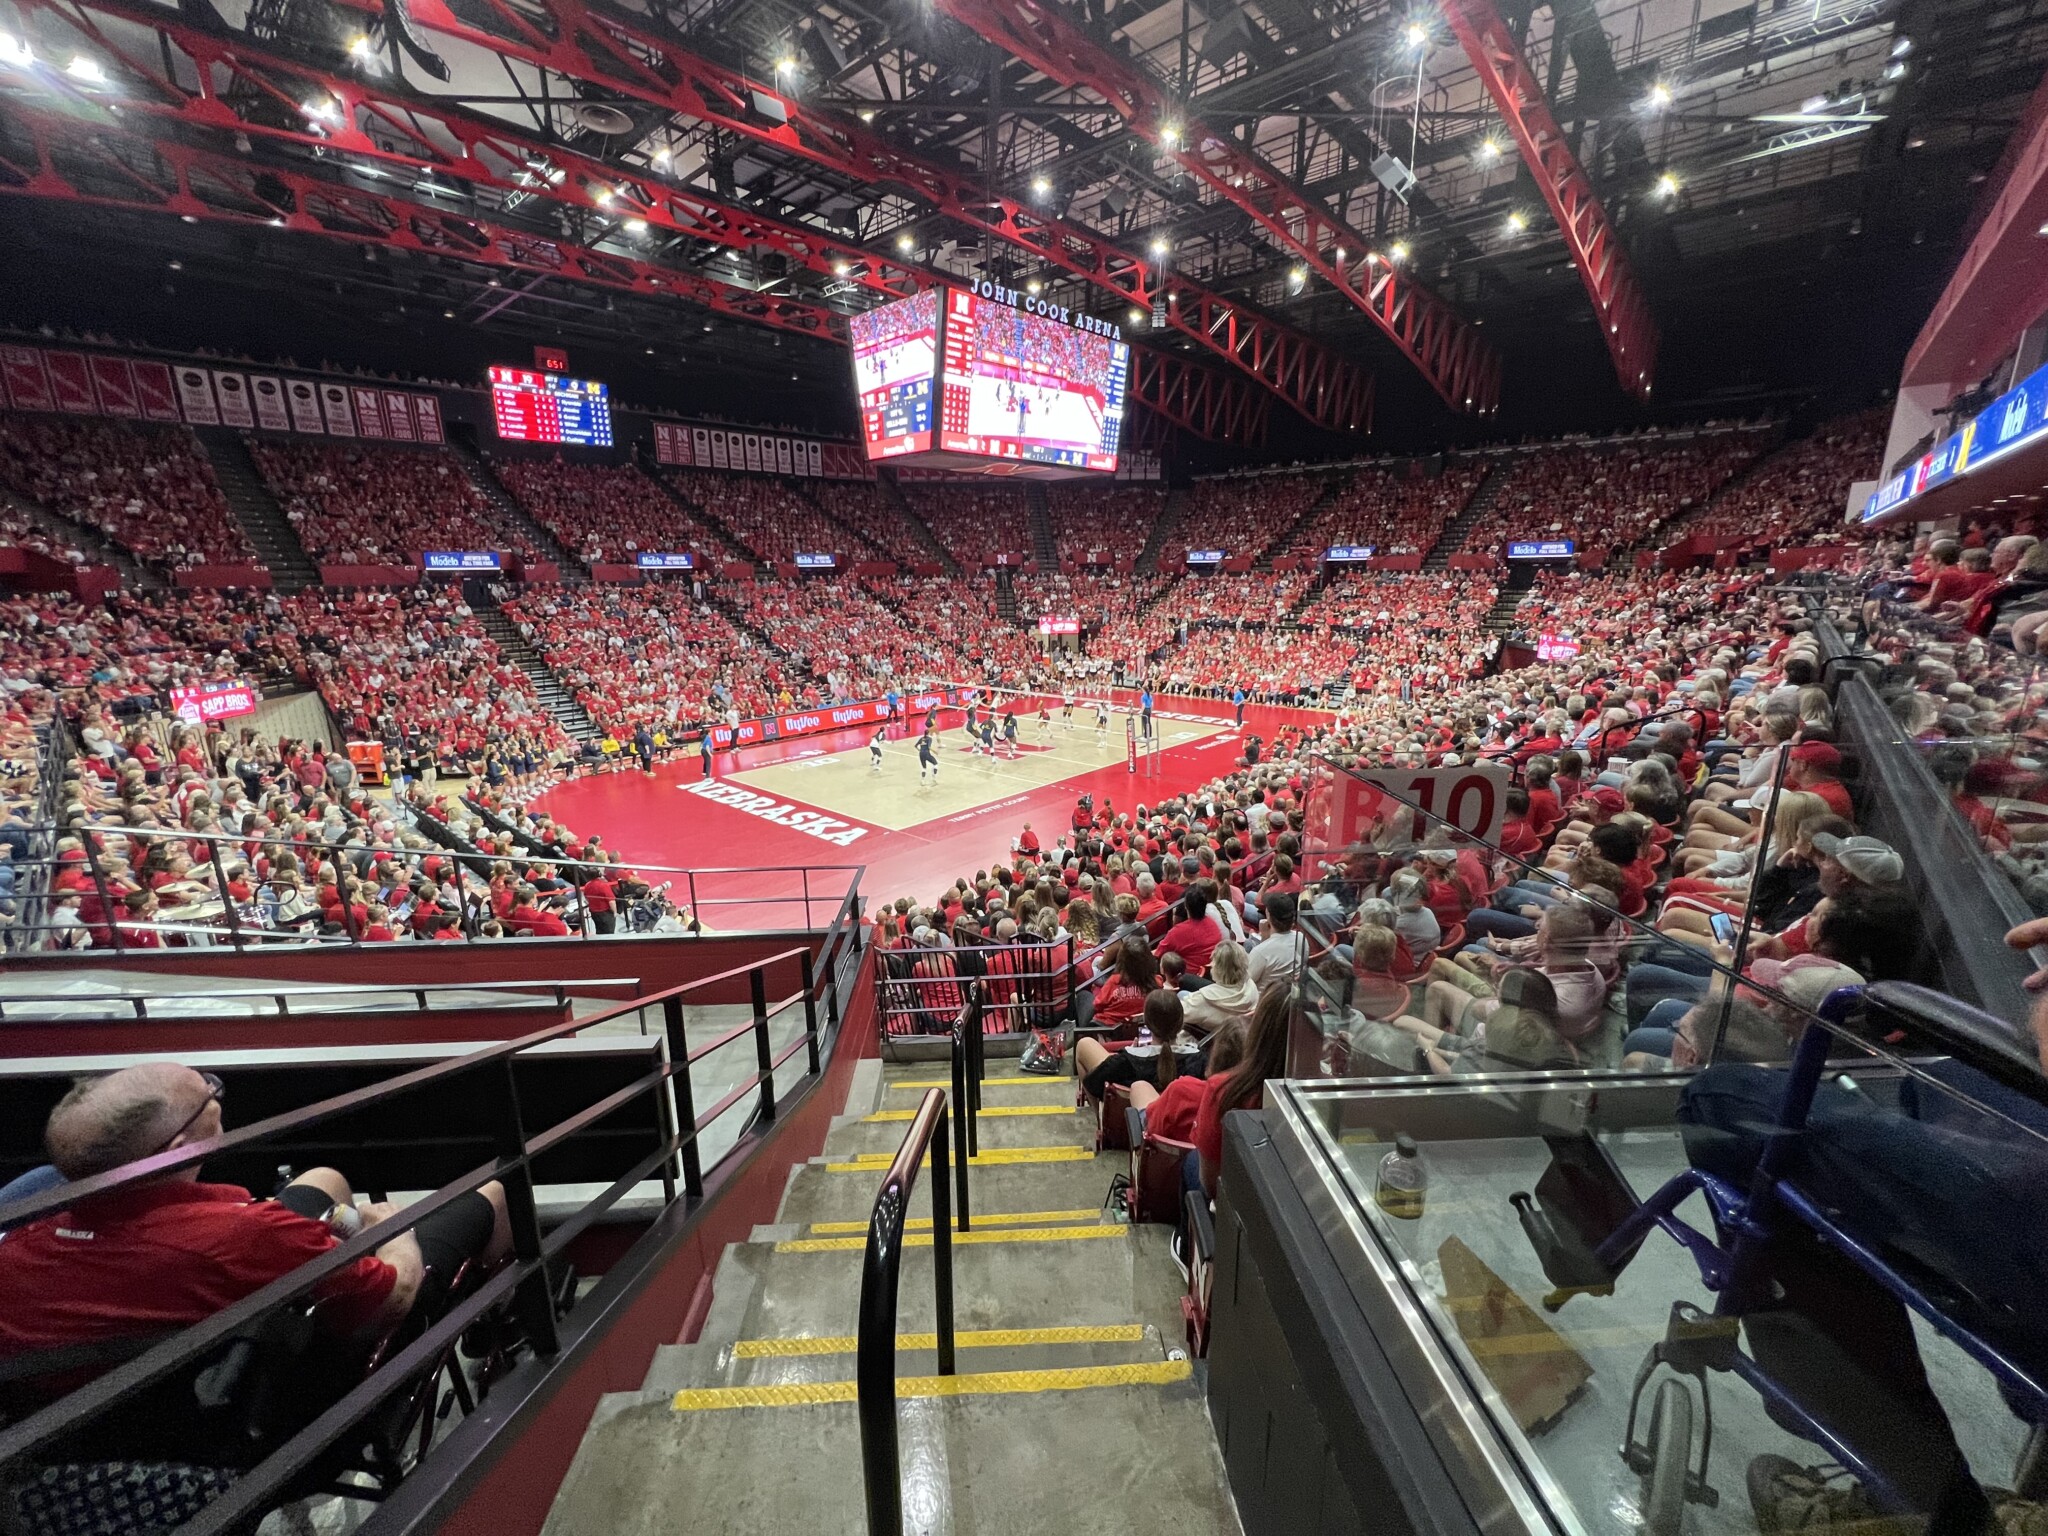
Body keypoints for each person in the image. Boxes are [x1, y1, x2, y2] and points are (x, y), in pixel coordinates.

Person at [0, 1064, 511, 1397]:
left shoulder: (19, 1245)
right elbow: (392, 1300)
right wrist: (393, 1231)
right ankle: (497, 1326)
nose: (215, 1094)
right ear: (183, 1144)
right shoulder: (247, 1236)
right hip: (259, 1406)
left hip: (121, 1404)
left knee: (322, 1180)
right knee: (496, 1190)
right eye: (209, 1095)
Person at [1193, 984, 1291, 1195]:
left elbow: (1210, 1185)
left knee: (1190, 1161)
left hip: (1235, 1206)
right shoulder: (1323, 1092)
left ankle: (1185, 1228)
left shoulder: (1222, 1089)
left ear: (1258, 1029)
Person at [1246, 890, 1307, 993]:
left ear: (1268, 916)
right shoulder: (1301, 938)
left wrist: (1264, 942)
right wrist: (1265, 940)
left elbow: (1245, 982)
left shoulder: (1260, 952)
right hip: (1290, 995)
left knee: (1248, 943)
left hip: (1265, 1002)